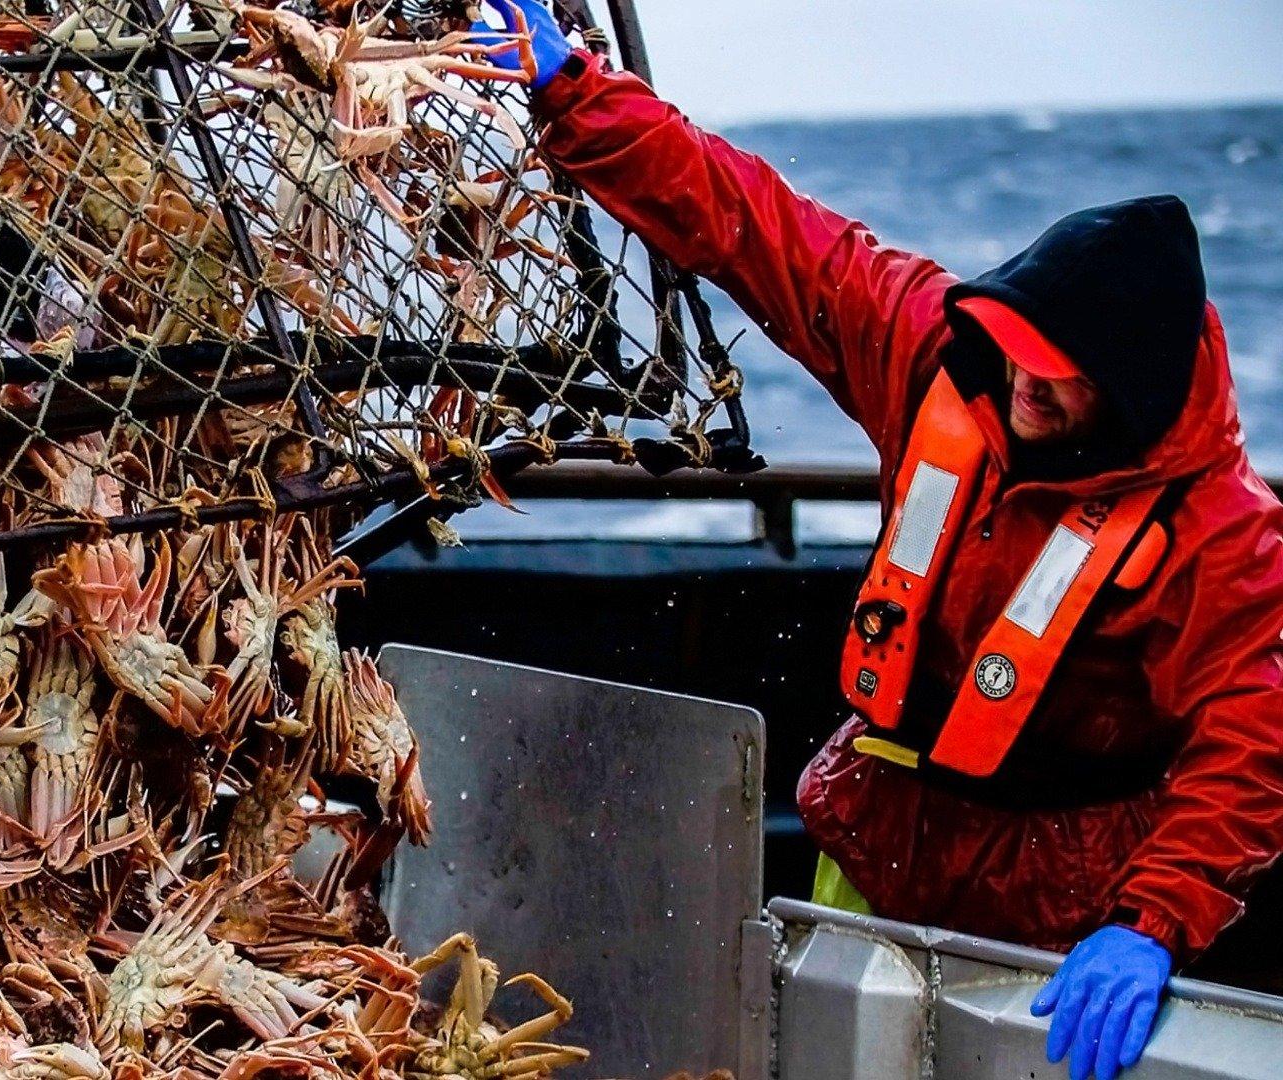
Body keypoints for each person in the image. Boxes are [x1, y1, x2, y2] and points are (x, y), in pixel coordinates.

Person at [470, 3, 1283, 1079]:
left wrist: (1150, 923)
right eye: (1018, 352)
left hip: (1059, 906)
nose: (1026, 387)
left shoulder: (1222, 532)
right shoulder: (938, 350)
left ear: (1129, 395)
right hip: (872, 826)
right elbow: (754, 222)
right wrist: (572, 88)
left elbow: (1249, 748)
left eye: (1063, 378)